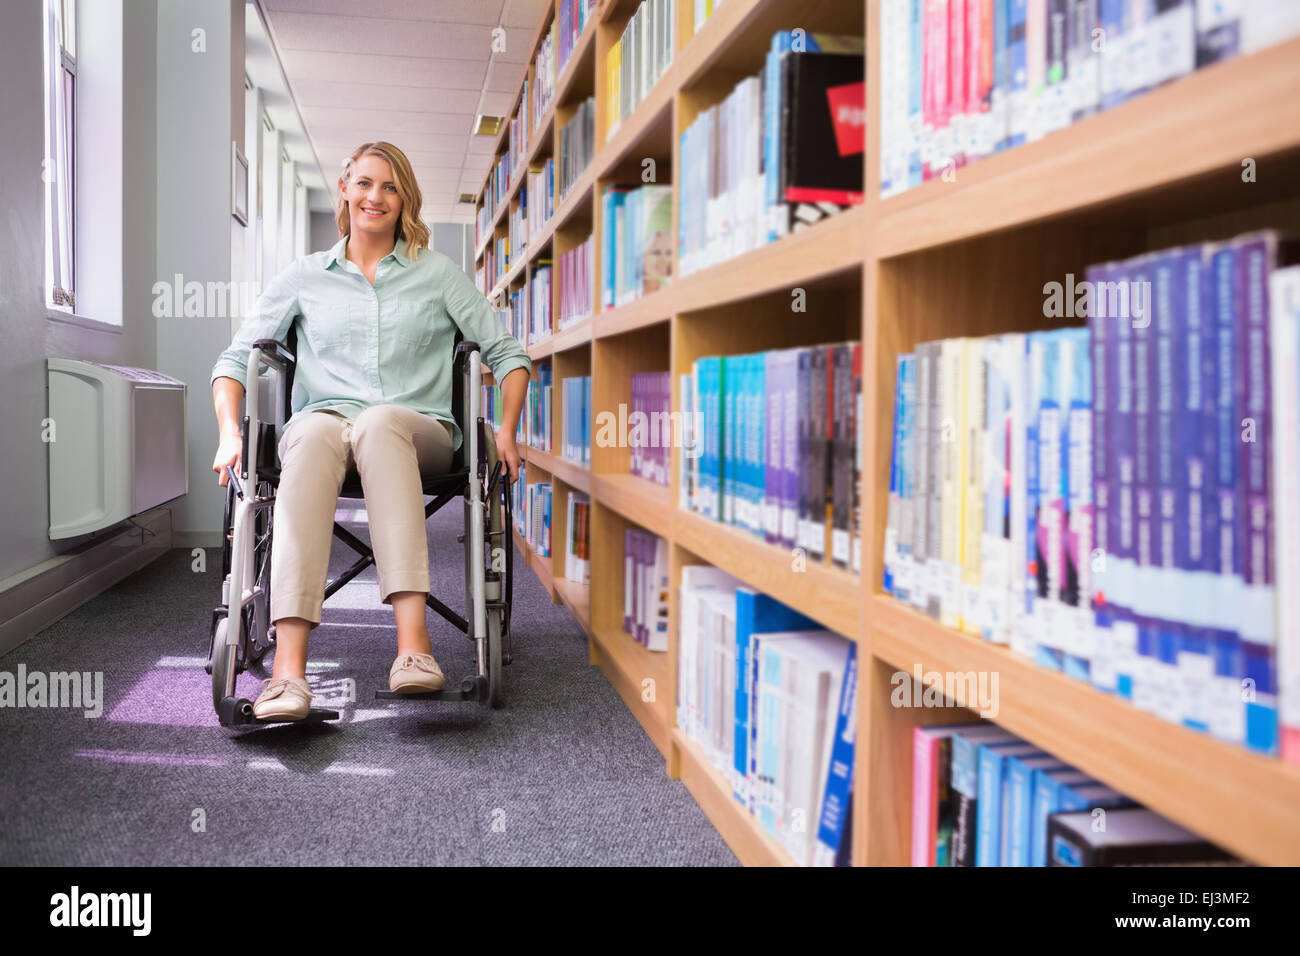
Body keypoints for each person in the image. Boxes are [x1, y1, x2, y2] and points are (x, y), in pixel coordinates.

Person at [210, 141, 530, 721]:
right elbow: (235, 360)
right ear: (344, 189)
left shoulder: (437, 275)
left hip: (418, 433)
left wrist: (504, 431)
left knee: (380, 423)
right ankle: (287, 676)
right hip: (327, 428)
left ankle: (413, 650)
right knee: (307, 433)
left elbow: (508, 353)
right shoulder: (305, 277)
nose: (374, 197)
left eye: (388, 186)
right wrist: (230, 433)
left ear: (403, 197)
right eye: (363, 183)